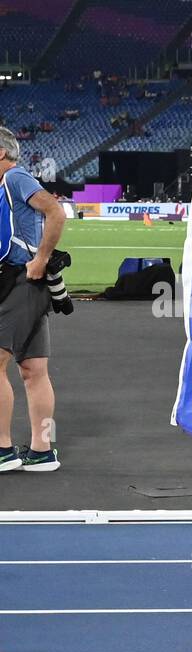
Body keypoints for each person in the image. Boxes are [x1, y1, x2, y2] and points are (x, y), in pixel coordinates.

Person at [0, 125, 66, 474]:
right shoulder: (7, 186)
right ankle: (42, 451)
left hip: (20, 281)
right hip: (27, 284)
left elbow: (55, 211)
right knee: (33, 369)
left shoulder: (14, 179)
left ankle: (3, 450)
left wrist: (40, 259)